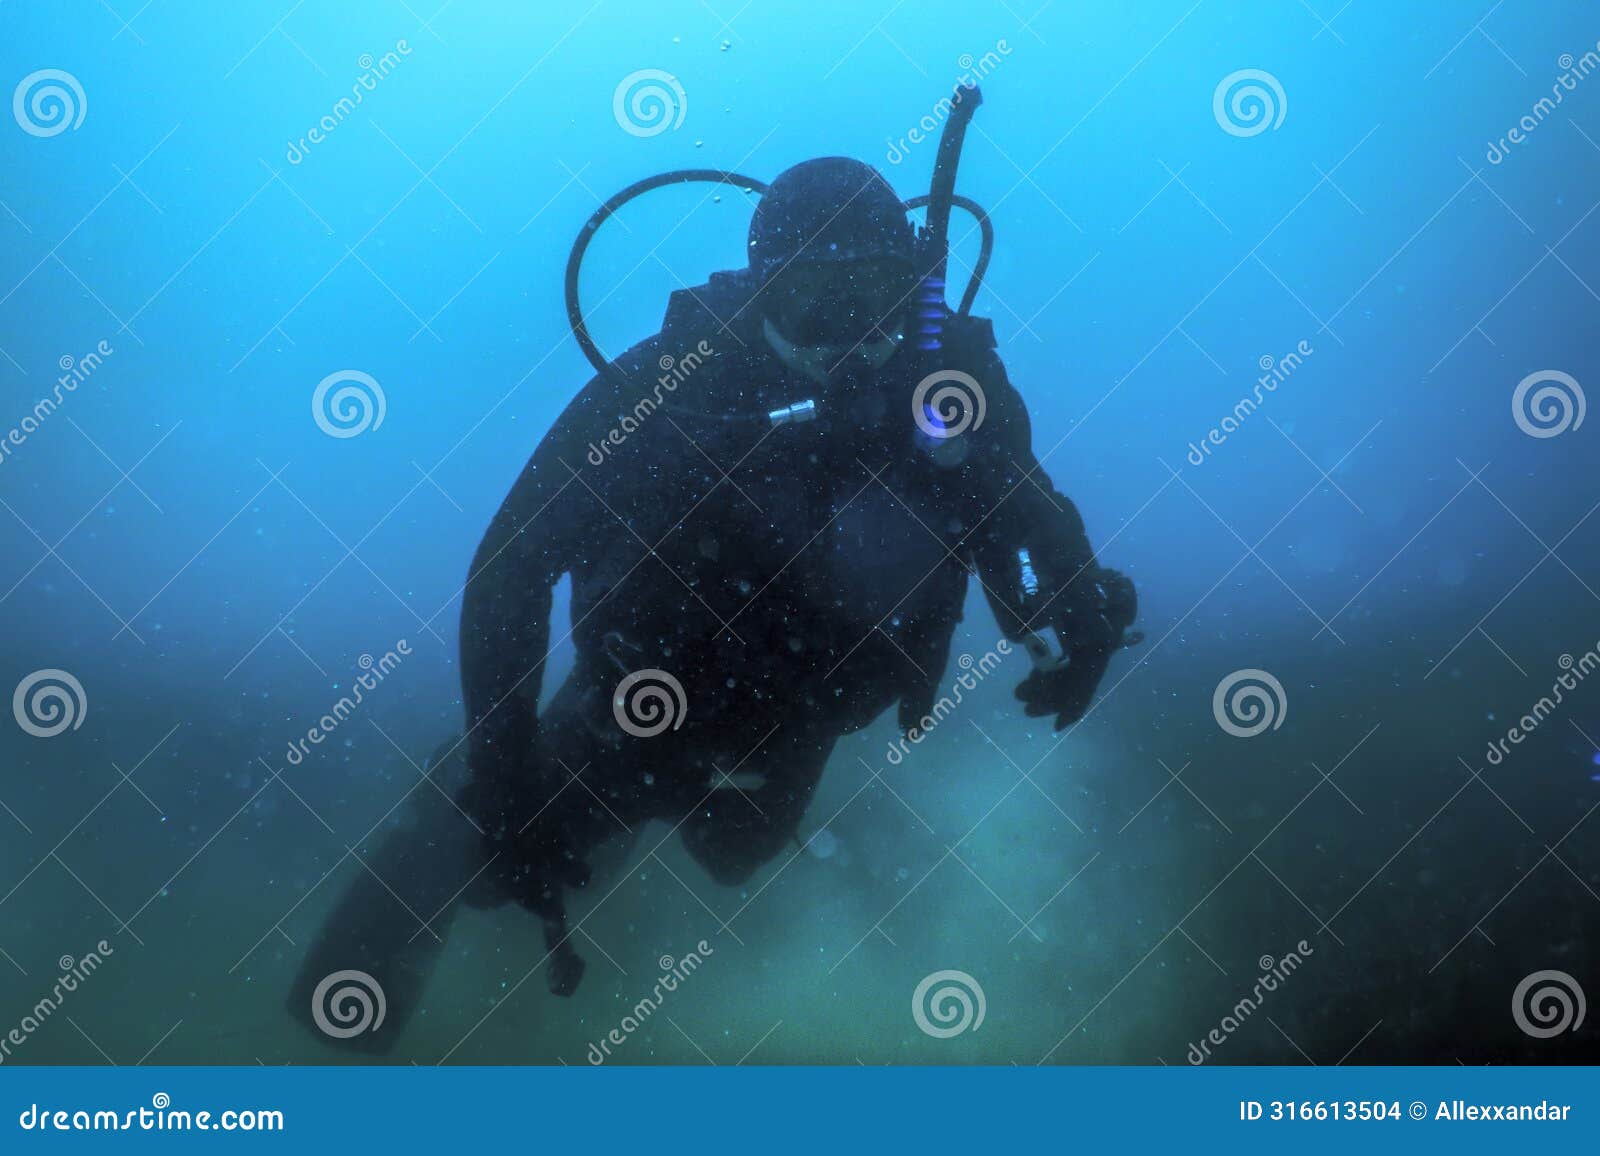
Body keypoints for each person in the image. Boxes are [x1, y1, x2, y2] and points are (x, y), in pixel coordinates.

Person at [458, 156, 1137, 996]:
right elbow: (512, 567)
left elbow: (1021, 504)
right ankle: (485, 807)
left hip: (805, 715)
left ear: (913, 288)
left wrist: (1077, 604)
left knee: (734, 859)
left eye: (875, 294)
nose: (848, 332)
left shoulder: (950, 384)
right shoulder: (666, 391)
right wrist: (500, 770)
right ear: (760, 294)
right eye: (814, 298)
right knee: (496, 862)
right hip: (632, 705)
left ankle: (623, 824)